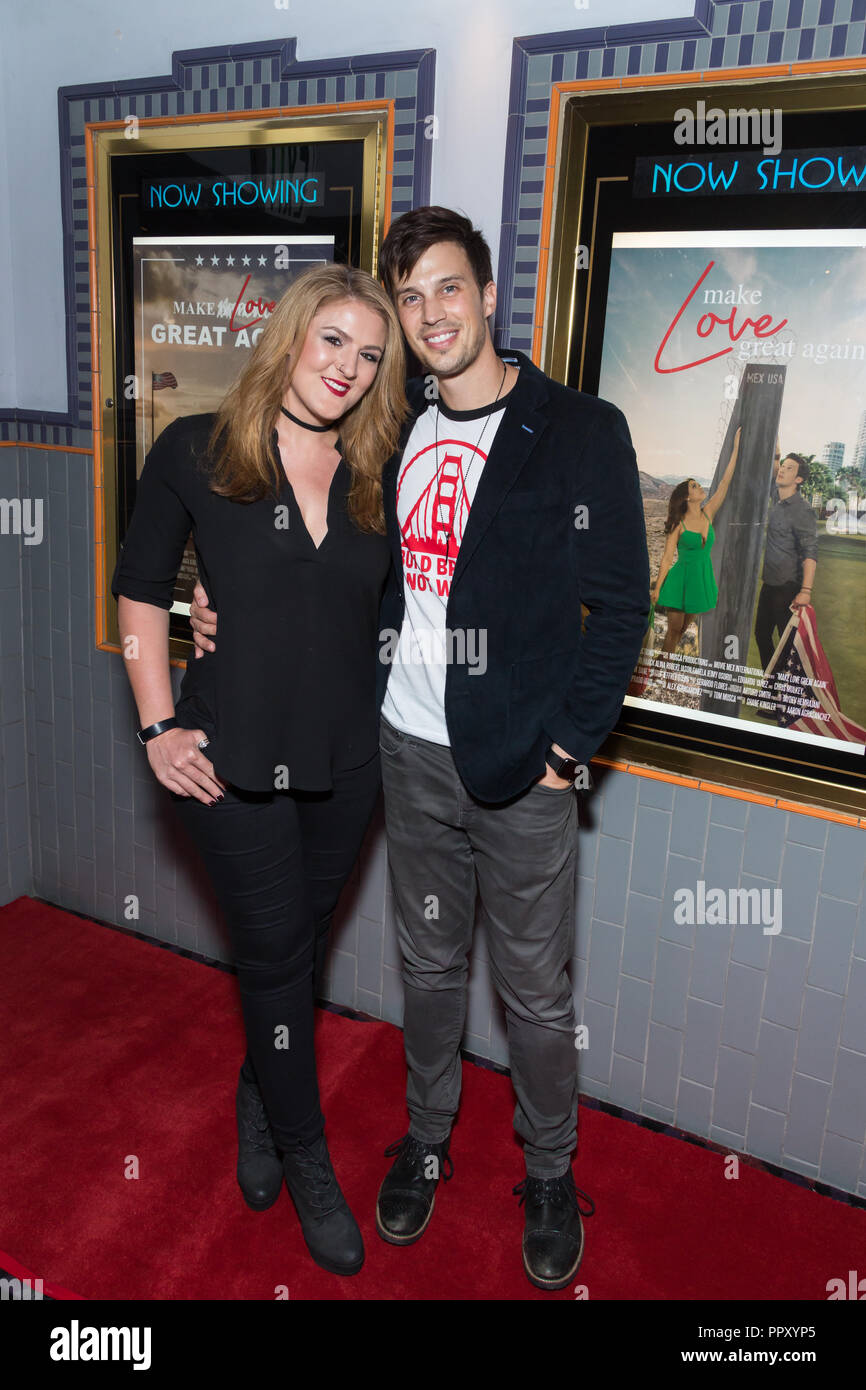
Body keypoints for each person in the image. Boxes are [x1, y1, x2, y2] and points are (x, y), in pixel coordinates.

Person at [190, 206, 650, 1291]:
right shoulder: (386, 428)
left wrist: (563, 750)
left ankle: (545, 1172)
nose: (431, 312)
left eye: (449, 287)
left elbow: (620, 608)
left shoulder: (578, 427)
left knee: (535, 994)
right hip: (403, 746)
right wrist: (213, 602)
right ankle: (428, 1140)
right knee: (429, 970)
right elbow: (311, 557)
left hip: (521, 767)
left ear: (487, 295)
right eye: (410, 297)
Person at [111, 263, 407, 1277]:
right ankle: (305, 1150)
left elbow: (390, 614)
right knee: (278, 955)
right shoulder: (196, 448)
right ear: (288, 334)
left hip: (346, 761)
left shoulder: (382, 466)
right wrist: (157, 730)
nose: (349, 368)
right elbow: (144, 590)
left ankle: (257, 1087)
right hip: (228, 759)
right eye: (333, 341)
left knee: (293, 953)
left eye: (370, 355)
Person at [650, 425, 742, 658]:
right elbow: (667, 557)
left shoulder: (708, 513)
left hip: (701, 580)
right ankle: (665, 673)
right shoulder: (678, 525)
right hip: (681, 580)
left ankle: (663, 662)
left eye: (697, 484)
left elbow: (724, 484)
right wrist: (658, 588)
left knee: (681, 631)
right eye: (694, 486)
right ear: (687, 496)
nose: (699, 487)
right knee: (673, 631)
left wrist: (736, 449)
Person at [754, 450, 817, 671]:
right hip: (769, 584)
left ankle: (786, 698)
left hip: (788, 587)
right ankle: (770, 691)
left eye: (790, 468)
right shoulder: (776, 496)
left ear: (798, 480)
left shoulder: (803, 510)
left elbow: (811, 553)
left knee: (786, 645)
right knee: (761, 636)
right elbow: (775, 459)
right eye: (783, 466)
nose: (782, 469)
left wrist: (806, 590)